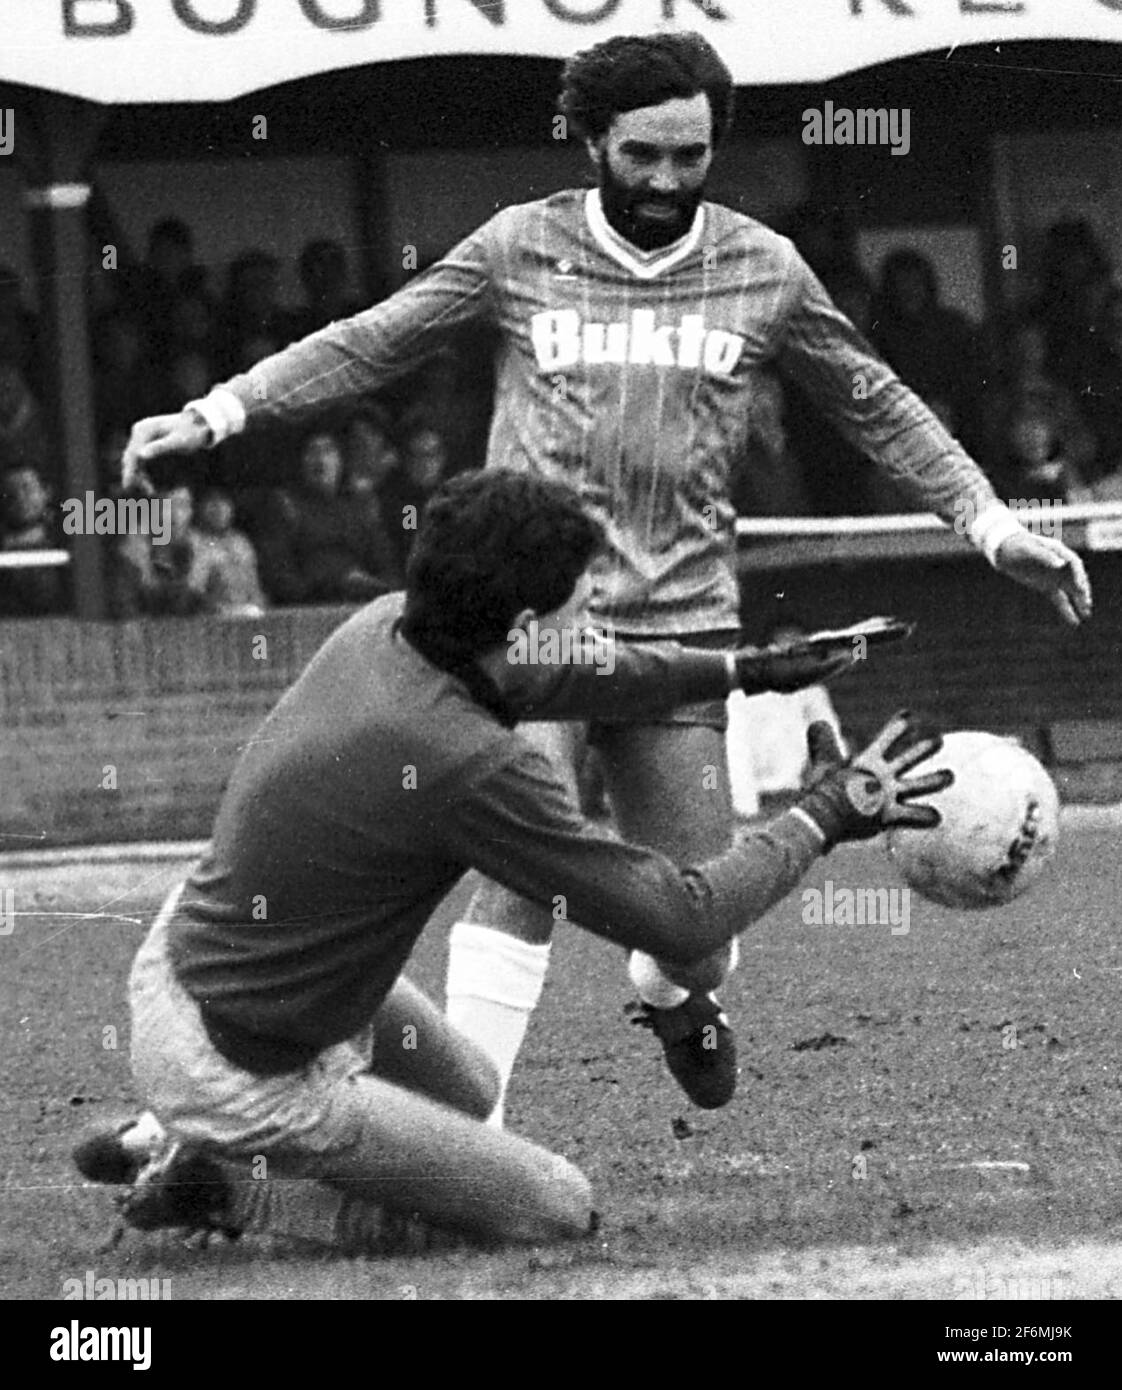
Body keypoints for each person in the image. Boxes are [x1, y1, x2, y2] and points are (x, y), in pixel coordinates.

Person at [121, 31, 1091, 1121]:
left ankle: (674, 998)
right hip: (530, 633)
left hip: (687, 630)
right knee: (518, 874)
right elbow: (374, 341)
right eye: (643, 155)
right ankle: (471, 1128)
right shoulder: (516, 249)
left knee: (696, 932)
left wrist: (986, 518)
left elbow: (871, 398)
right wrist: (220, 410)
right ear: (590, 142)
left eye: (692, 155)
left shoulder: (763, 268)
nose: (669, 180)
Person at [74, 470, 949, 1252]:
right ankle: (225, 1182)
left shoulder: (391, 627)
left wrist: (744, 670)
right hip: (241, 1060)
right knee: (555, 1207)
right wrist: (826, 814)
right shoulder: (464, 761)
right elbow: (681, 915)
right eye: (583, 599)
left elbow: (570, 674)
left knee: (470, 1086)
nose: (597, 610)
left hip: (208, 971)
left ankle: (174, 1132)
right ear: (526, 626)